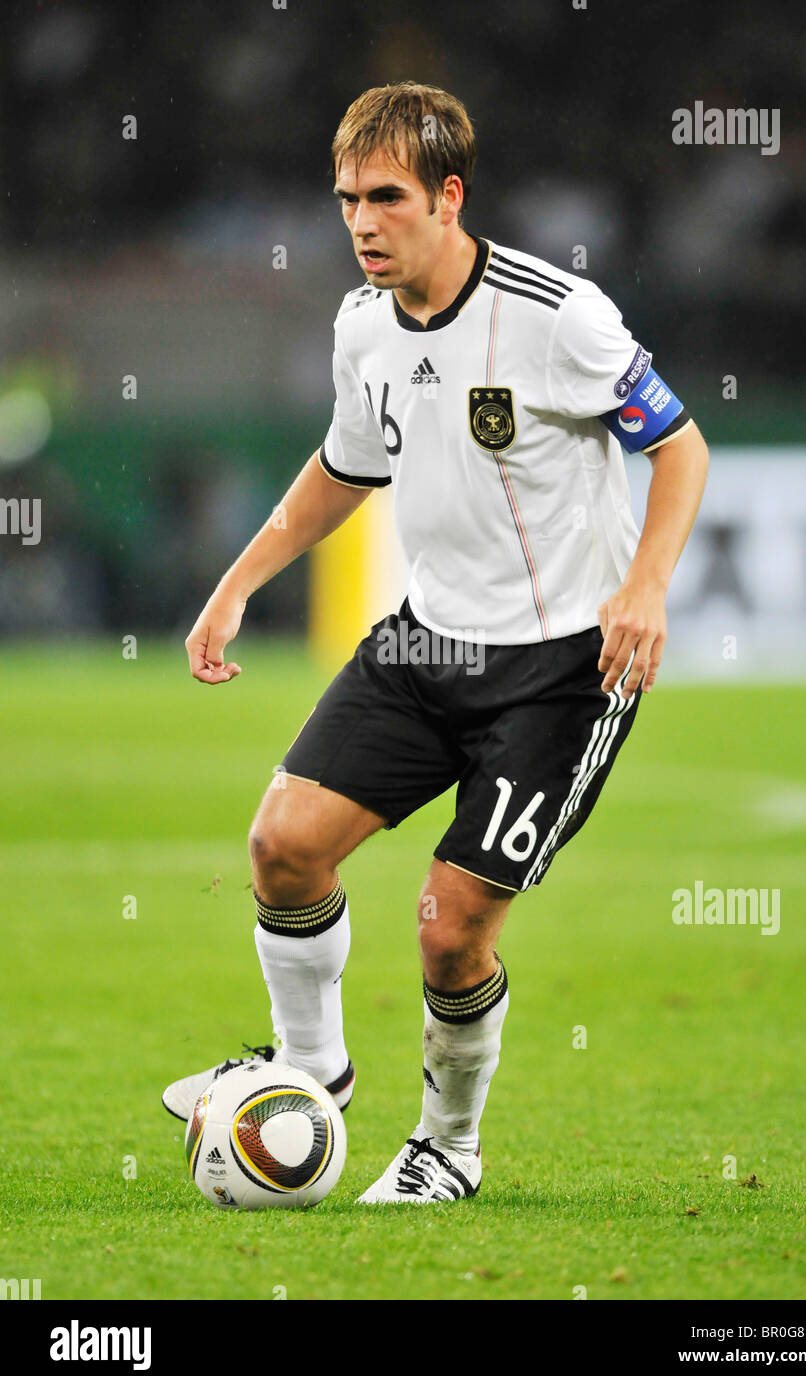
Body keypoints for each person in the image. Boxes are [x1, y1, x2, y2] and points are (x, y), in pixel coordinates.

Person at [162, 81, 710, 1204]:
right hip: (427, 645)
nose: (360, 223)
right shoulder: (361, 325)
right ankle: (310, 1071)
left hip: (563, 669)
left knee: (449, 929)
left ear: (448, 197)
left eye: (386, 198)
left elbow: (681, 447)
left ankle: (448, 1147)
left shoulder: (555, 315)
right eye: (346, 200)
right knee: (282, 847)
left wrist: (645, 589)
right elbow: (344, 468)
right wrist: (237, 583)